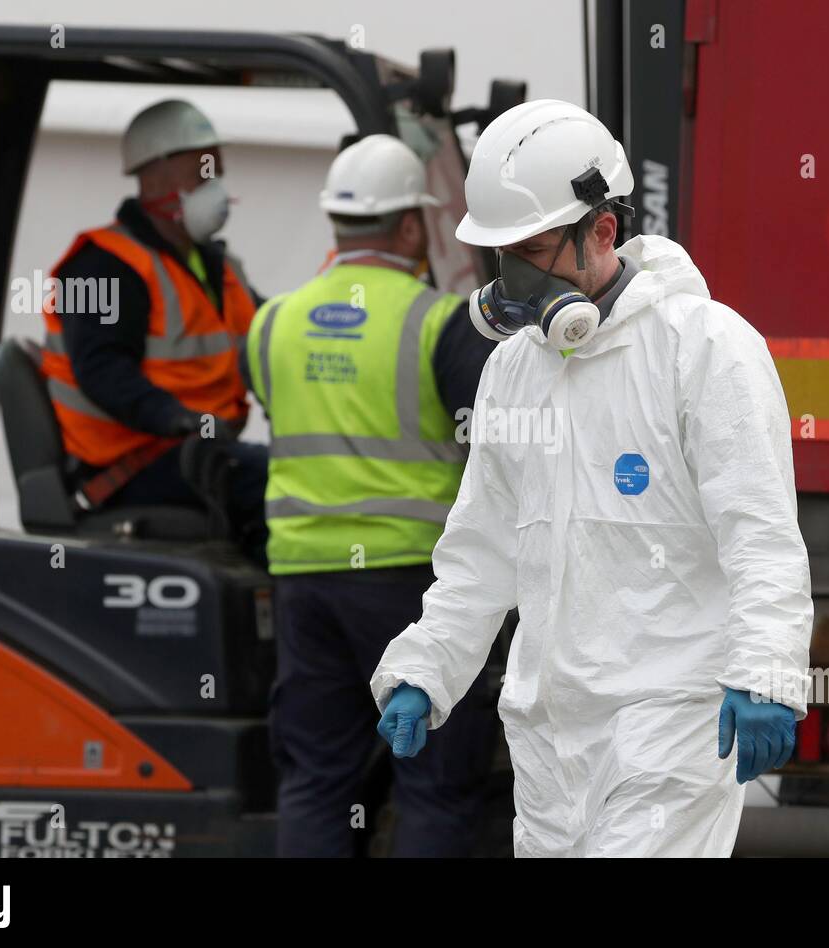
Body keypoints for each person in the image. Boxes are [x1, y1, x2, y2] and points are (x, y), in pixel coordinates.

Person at [370, 100, 813, 857]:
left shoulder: (704, 349)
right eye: (501, 252)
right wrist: (425, 667)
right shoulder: (512, 368)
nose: (512, 276)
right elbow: (481, 550)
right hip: (547, 736)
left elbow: (760, 534)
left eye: (534, 249)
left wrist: (767, 672)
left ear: (602, 232)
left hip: (671, 720)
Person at [247, 134, 499, 857]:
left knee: (318, 778)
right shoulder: (441, 323)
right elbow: (493, 445)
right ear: (411, 226)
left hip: (302, 579)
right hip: (407, 581)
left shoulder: (272, 323)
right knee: (431, 782)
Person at [39, 99, 267, 561]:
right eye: (203, 176)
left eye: (218, 175)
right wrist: (178, 417)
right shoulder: (101, 267)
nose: (216, 191)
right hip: (133, 466)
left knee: (303, 474)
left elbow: (273, 338)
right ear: (154, 176)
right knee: (278, 486)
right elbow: (102, 370)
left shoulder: (215, 266)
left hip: (195, 451)